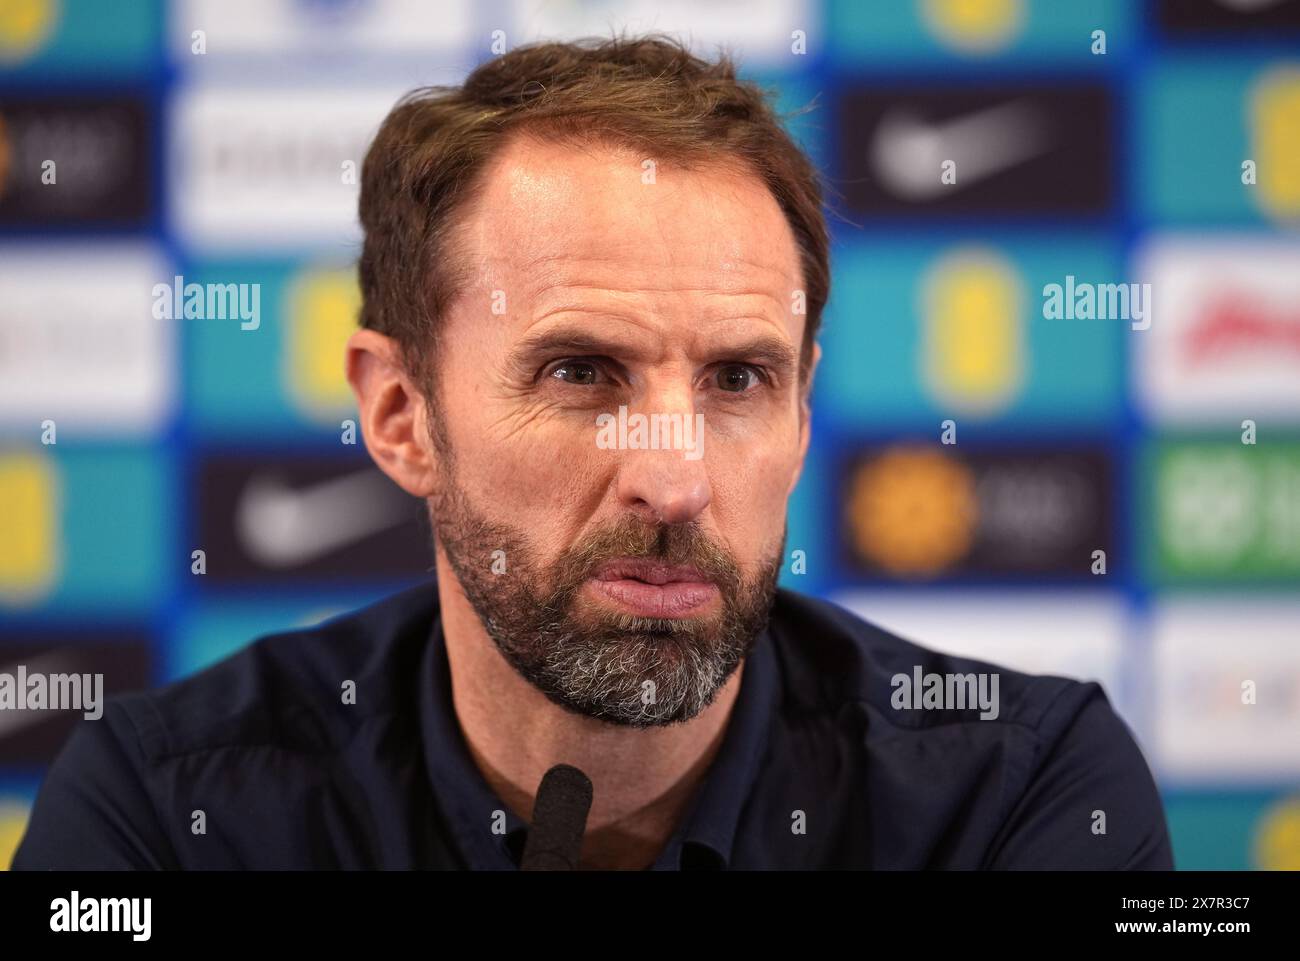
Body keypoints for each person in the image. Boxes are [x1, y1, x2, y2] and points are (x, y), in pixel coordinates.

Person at [13, 34, 1172, 871]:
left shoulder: (1018, 796)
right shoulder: (164, 817)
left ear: (803, 414)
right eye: (580, 374)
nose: (674, 478)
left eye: (737, 379)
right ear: (402, 414)